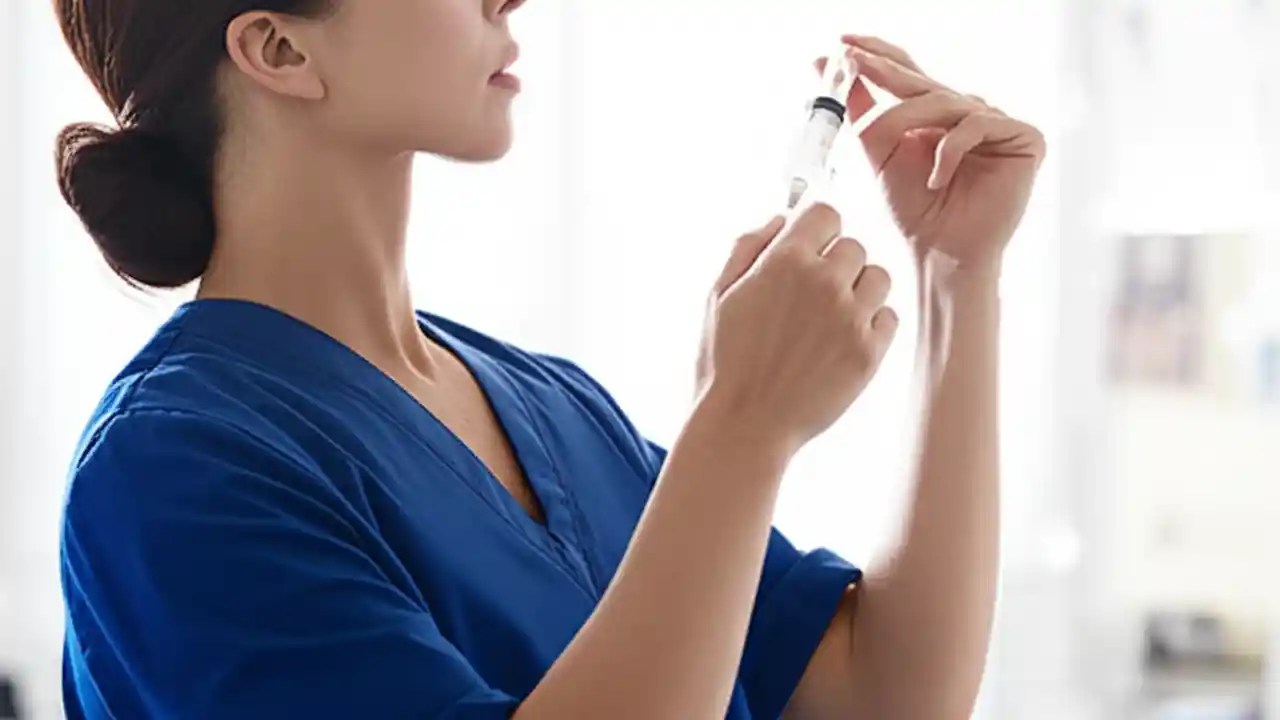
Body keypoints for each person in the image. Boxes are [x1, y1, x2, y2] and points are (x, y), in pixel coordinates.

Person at [52, 0, 1045, 718]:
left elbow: (881, 694)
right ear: (277, 48)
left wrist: (956, 276)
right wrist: (741, 426)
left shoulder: (547, 405)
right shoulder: (173, 471)